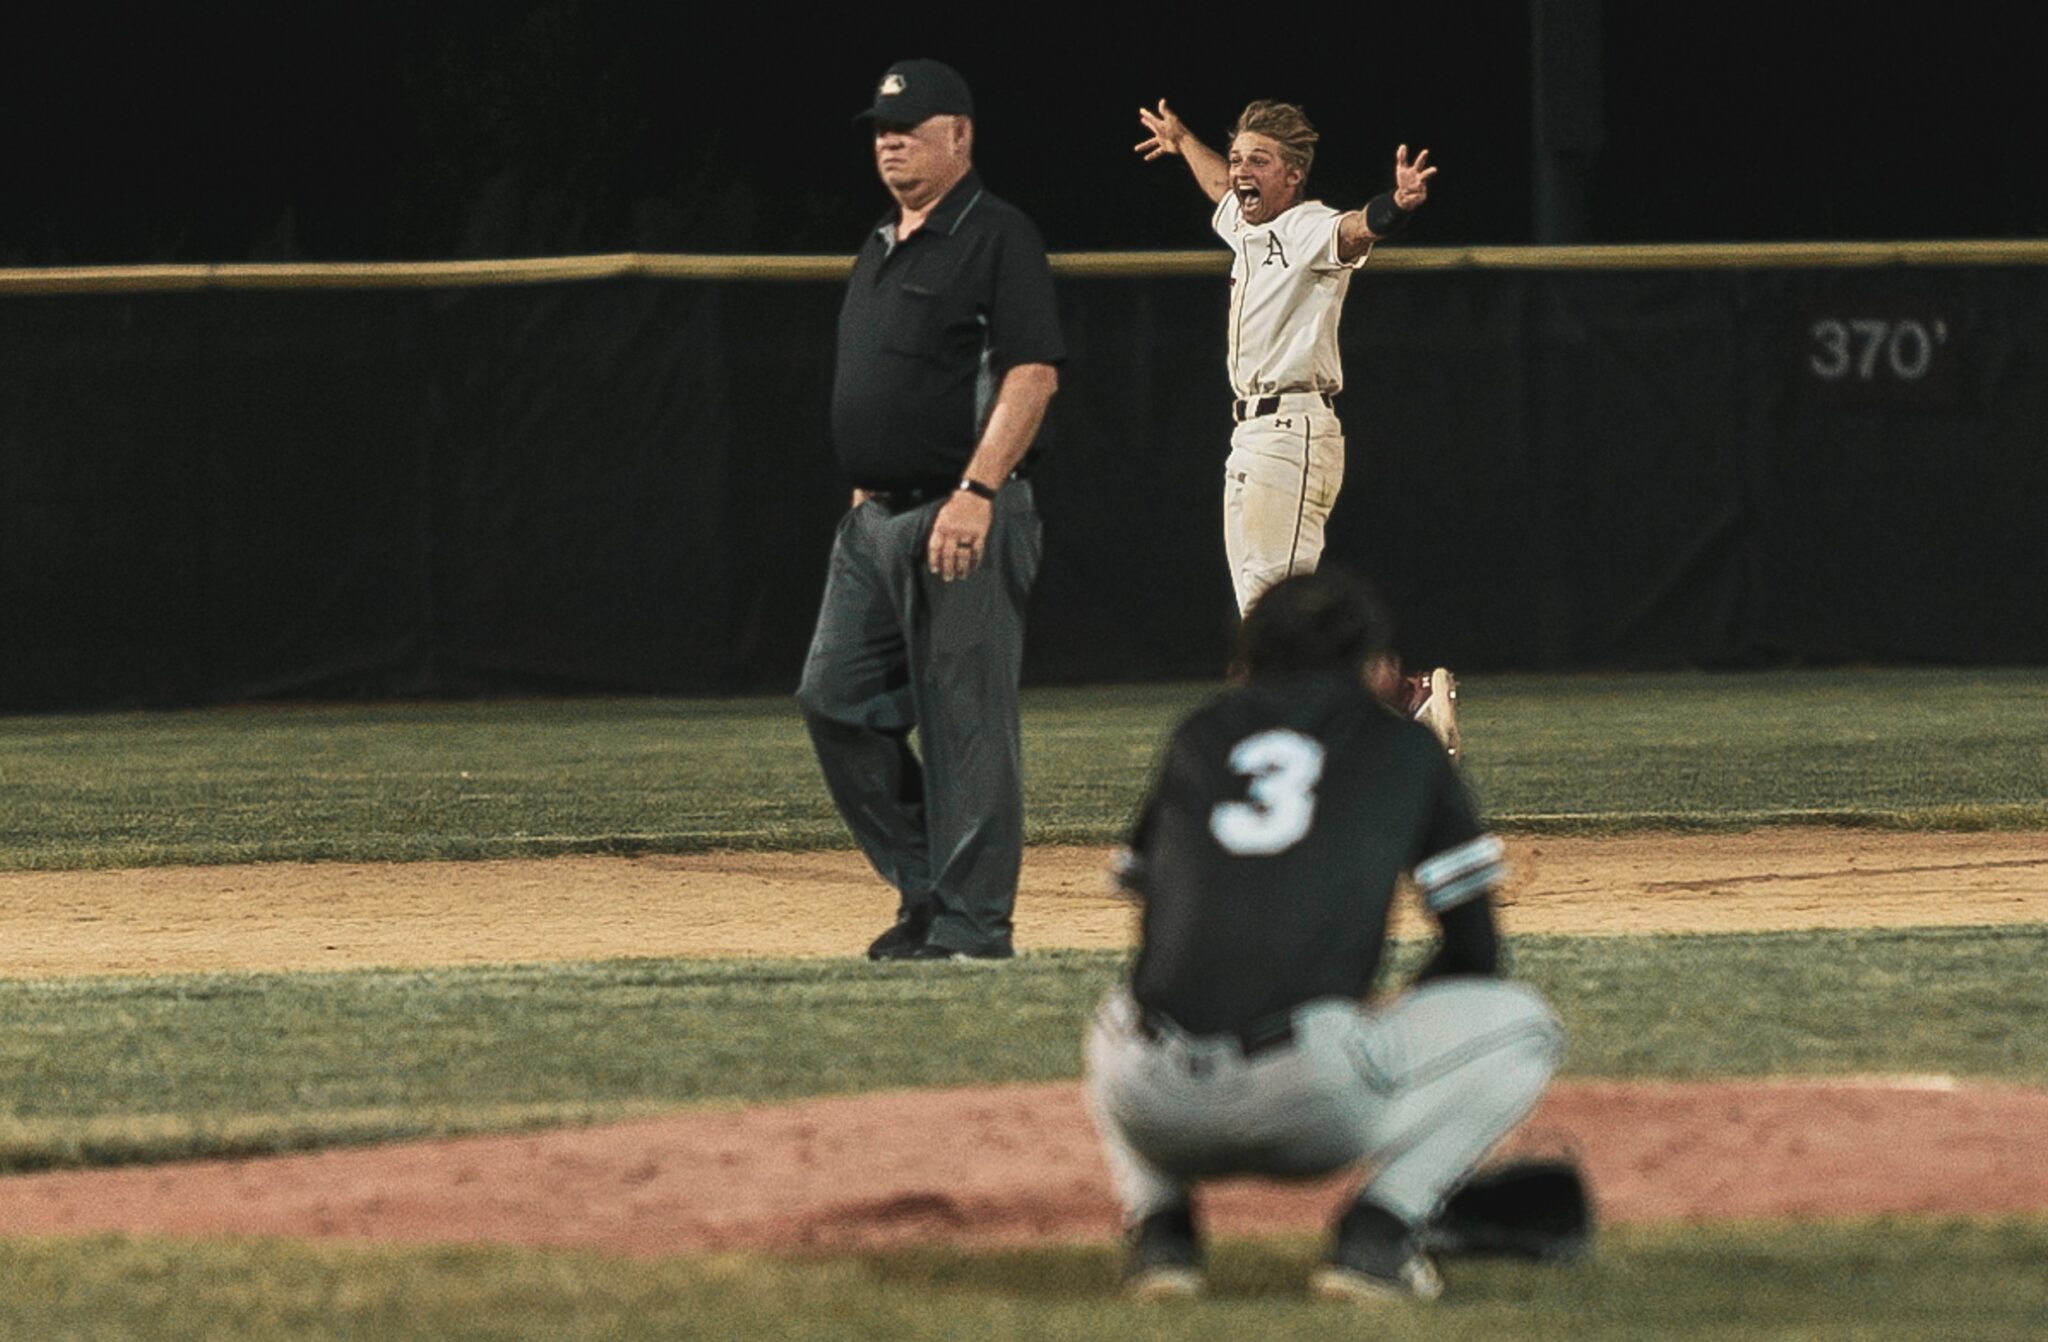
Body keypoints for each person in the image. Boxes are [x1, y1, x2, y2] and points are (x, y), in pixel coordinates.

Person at [1082, 565, 1564, 1303]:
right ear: (1377, 667)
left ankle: (1162, 1237)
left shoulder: (1198, 733)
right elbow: (1477, 953)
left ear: (1247, 660)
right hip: (1311, 1104)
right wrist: (1373, 1018)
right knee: (1527, 1025)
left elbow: (1153, 912)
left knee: (1118, 1014)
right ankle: (1378, 1237)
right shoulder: (1404, 747)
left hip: (1155, 1107)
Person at [795, 59, 1066, 963]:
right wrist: (868, 483)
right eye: (880, 127)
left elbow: (1032, 373)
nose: (889, 140)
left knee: (966, 730)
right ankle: (929, 890)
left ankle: (972, 928)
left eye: (909, 126)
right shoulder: (879, 243)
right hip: (873, 524)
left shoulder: (997, 235)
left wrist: (979, 491)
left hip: (964, 516)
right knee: (834, 699)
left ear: (961, 135)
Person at [1135, 97, 1462, 761]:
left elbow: (1357, 228)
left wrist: (1395, 205)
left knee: (1273, 624)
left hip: (1290, 429)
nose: (1240, 171)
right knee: (1279, 617)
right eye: (1237, 159)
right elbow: (1219, 187)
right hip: (1257, 436)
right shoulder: (1246, 224)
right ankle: (1401, 698)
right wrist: (1185, 141)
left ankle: (1302, 755)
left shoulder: (1308, 227)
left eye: (1259, 160)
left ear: (1292, 176)